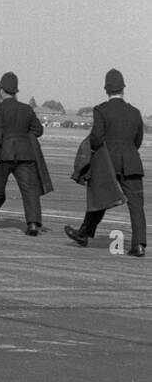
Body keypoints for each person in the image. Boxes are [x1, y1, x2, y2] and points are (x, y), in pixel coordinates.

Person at [66, 69, 145, 256]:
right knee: (136, 204)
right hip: (131, 161)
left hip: (107, 161)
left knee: (99, 197)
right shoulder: (135, 112)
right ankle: (139, 244)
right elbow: (138, 140)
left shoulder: (101, 110)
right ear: (123, 89)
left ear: (106, 90)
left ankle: (84, 234)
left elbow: (96, 138)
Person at [0, 72, 45, 234]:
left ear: (2, 90)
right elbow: (38, 129)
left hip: (4, 154)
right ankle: (33, 223)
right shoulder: (27, 109)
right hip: (25, 154)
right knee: (29, 190)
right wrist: (25, 138)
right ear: (16, 91)